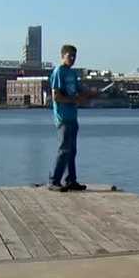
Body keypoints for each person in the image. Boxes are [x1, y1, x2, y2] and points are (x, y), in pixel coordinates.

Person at [48, 44, 97, 192]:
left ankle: (71, 180)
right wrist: (75, 100)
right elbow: (56, 96)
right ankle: (54, 181)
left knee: (72, 150)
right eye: (70, 56)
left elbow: (80, 89)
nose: (73, 59)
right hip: (63, 117)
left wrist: (92, 92)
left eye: (74, 56)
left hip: (73, 117)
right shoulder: (58, 72)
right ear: (62, 56)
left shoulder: (72, 73)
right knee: (64, 149)